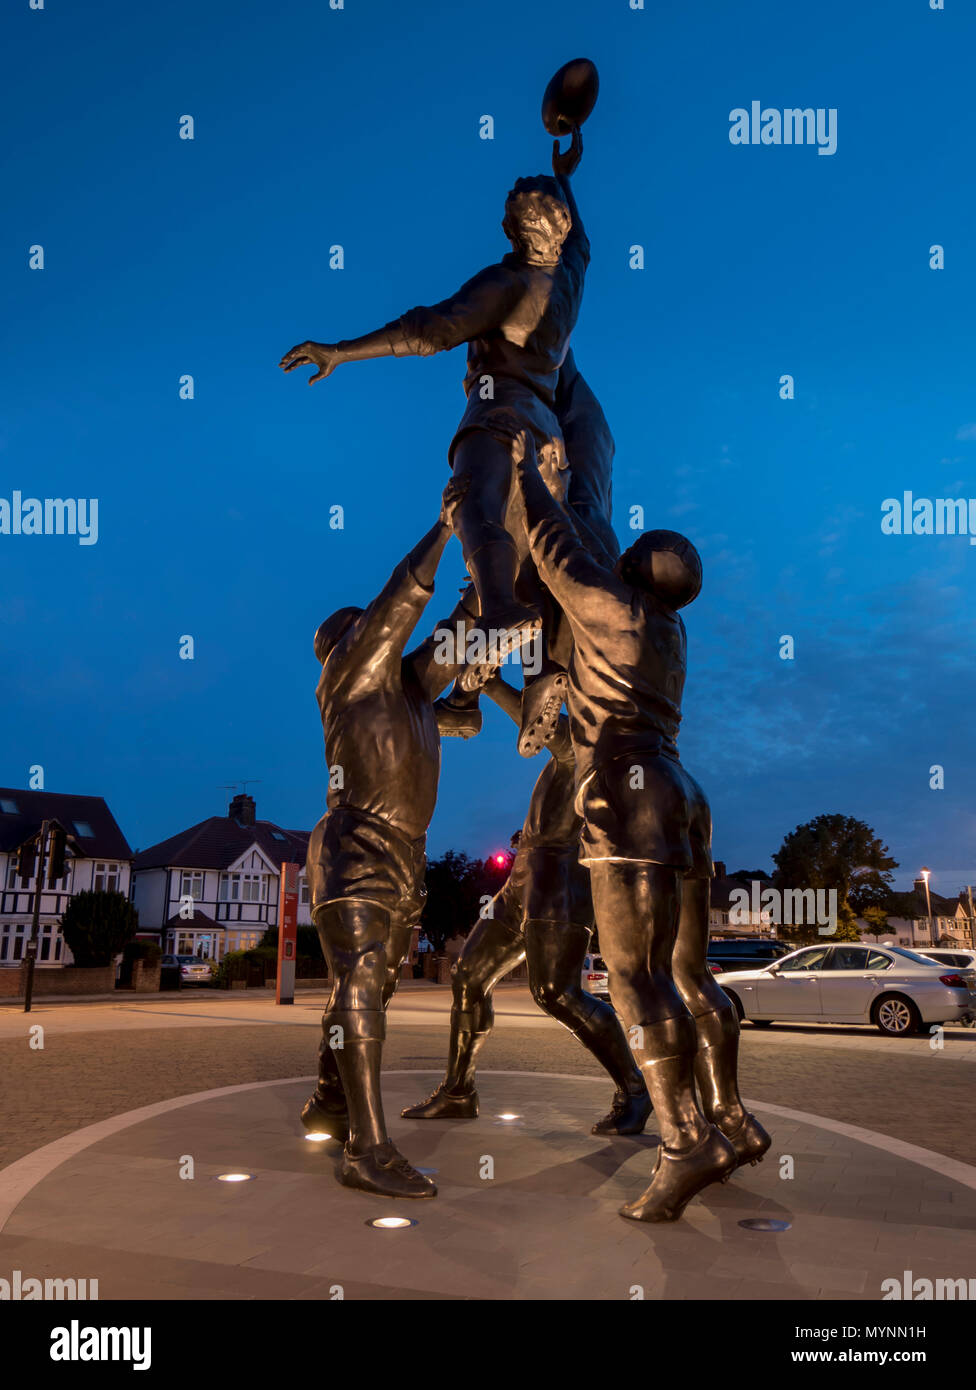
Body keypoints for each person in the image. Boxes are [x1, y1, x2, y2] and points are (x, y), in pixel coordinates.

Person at [513, 431, 770, 1223]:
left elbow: (556, 549)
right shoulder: (670, 630)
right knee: (692, 974)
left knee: (633, 978)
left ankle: (685, 1140)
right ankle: (731, 1116)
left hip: (626, 791)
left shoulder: (616, 609)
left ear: (631, 570)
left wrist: (530, 473)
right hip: (682, 792)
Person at [280, 130, 590, 697]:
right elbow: (583, 247)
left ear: (514, 231)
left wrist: (341, 352)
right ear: (564, 226)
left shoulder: (509, 282)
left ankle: (500, 617)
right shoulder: (569, 279)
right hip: (548, 437)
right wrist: (565, 175)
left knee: (473, 510)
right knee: (538, 556)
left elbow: (427, 331)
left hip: (498, 417)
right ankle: (542, 670)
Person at [301, 482, 468, 1200]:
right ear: (347, 646)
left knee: (370, 987)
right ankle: (365, 1151)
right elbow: (399, 605)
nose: (389, 641)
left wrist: (502, 574)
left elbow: (465, 635)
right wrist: (446, 530)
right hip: (356, 847)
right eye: (370, 633)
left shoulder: (408, 693)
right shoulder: (347, 678)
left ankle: (331, 1100)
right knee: (363, 982)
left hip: (405, 854)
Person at [402, 673, 650, 1135]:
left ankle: (635, 1088)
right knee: (469, 974)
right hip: (524, 876)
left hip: (560, 879)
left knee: (555, 993)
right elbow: (545, 731)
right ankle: (459, 1092)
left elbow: (546, 732)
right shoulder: (572, 754)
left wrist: (491, 683)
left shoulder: (591, 749)